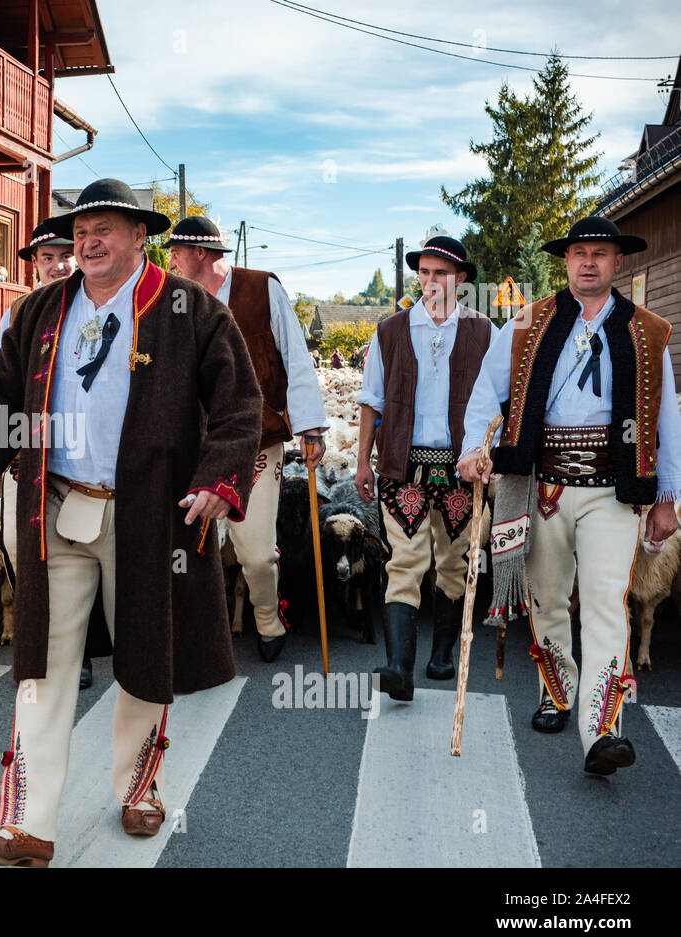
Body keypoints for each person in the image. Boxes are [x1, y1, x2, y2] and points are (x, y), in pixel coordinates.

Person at [0, 179, 260, 866]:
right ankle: (26, 822)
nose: (88, 241)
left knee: (148, 656)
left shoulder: (189, 308)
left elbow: (238, 403)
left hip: (147, 513)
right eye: (81, 231)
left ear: (142, 237)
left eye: (105, 228)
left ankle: (140, 787)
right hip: (53, 504)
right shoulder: (41, 311)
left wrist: (217, 480)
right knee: (41, 665)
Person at [458, 216, 681, 776]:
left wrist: (668, 496)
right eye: (579, 252)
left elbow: (669, 419)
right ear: (566, 261)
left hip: (616, 489)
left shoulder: (649, 331)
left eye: (600, 253)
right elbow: (488, 392)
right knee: (548, 599)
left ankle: (601, 728)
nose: (589, 262)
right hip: (543, 487)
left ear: (618, 263)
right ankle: (557, 690)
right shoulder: (527, 325)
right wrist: (472, 447)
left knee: (608, 603)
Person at [165, 214, 328, 661]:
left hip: (256, 442)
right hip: (193, 443)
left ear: (201, 252)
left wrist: (310, 428)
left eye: (176, 252)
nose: (171, 261)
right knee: (189, 543)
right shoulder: (173, 298)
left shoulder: (262, 289)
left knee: (255, 552)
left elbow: (295, 357)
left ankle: (268, 617)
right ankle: (196, 632)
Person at [355, 236, 495, 700]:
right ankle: (398, 666)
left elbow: (498, 401)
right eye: (425, 272)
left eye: (442, 273)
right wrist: (362, 461)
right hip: (403, 466)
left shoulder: (483, 331)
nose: (431, 281)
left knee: (454, 565)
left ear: (461, 280)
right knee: (406, 562)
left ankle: (441, 651)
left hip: (460, 471)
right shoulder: (391, 330)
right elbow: (371, 402)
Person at [0, 218, 104, 690]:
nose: (59, 265)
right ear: (35, 266)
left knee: (86, 552)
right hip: (35, 453)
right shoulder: (21, 311)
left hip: (87, 459)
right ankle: (46, 643)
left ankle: (79, 650)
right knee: (21, 549)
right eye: (47, 258)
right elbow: (5, 385)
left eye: (65, 255)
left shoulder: (96, 303)